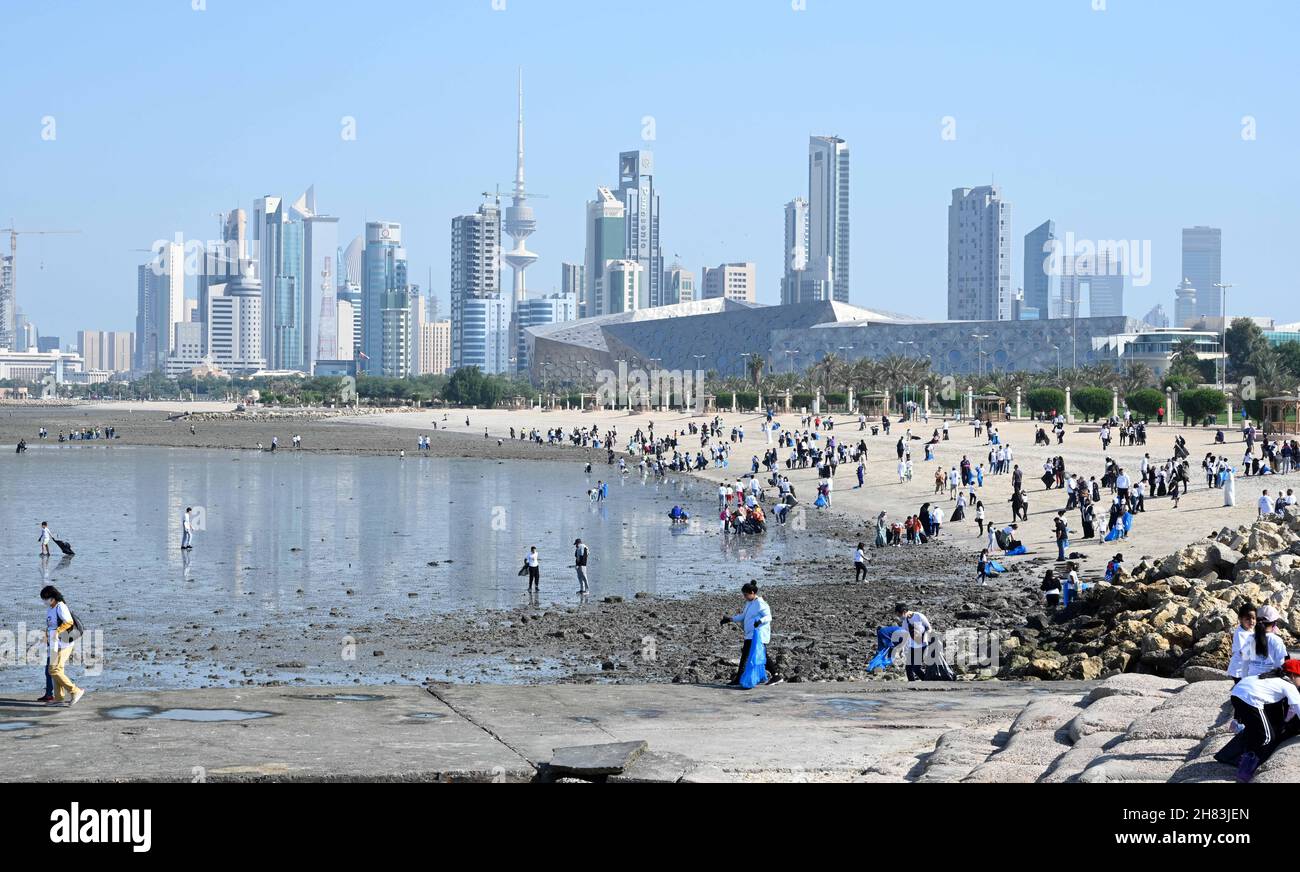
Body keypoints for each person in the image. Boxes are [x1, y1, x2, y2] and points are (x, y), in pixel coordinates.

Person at [1229, 660, 1300, 782]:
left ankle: (1243, 750)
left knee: (1257, 732)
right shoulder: (1289, 685)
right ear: (1293, 675)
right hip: (1251, 699)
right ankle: (1245, 770)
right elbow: (1299, 708)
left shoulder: (1271, 677)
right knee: (1266, 737)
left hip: (1237, 694)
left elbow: (1291, 709)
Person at [720, 583, 779, 686]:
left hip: (758, 635)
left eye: (746, 594)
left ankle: (776, 675)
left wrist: (760, 621)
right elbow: (743, 616)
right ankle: (740, 678)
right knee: (749, 655)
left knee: (757, 655)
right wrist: (730, 619)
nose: (745, 597)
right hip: (750, 635)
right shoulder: (749, 603)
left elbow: (769, 617)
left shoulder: (760, 603)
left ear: (752, 593)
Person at [39, 585, 85, 706]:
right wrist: (47, 636)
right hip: (54, 644)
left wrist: (57, 633)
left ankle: (75, 691)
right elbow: (50, 625)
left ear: (52, 598)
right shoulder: (50, 609)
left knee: (53, 670)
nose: (44, 601)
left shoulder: (61, 606)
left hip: (63, 643)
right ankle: (59, 699)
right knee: (57, 669)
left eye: (45, 598)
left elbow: (68, 621)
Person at [1243, 605, 1287, 677]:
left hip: (1251, 679)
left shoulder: (1250, 638)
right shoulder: (1277, 641)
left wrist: (1243, 681)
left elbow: (1245, 663)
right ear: (1274, 623)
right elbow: (1280, 665)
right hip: (1270, 681)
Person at [894, 603, 931, 682]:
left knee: (916, 668)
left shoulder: (919, 616)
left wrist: (925, 638)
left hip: (922, 645)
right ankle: (912, 686)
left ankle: (928, 683)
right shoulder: (905, 622)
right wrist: (901, 649)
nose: (899, 618)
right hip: (913, 646)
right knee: (908, 668)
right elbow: (905, 636)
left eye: (899, 615)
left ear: (904, 612)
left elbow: (929, 627)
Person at [1226, 604, 1257, 685]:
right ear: (1240, 619)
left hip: (1246, 667)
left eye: (1253, 618)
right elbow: (1244, 652)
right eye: (1248, 619)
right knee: (1241, 687)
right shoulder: (1240, 633)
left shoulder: (1251, 630)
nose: (1251, 621)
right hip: (1238, 669)